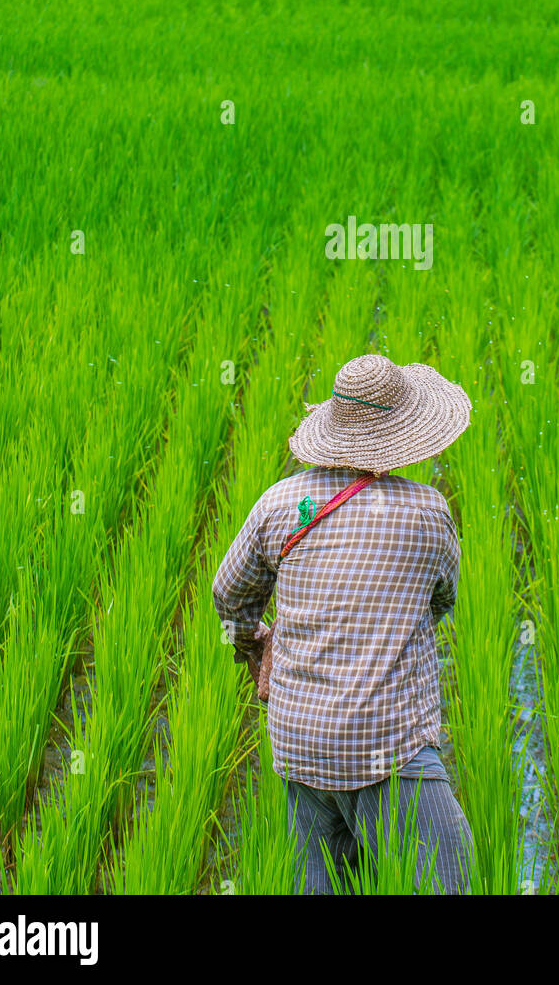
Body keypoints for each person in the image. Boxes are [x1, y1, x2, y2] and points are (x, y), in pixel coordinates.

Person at [212, 351, 474, 894]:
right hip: (392, 746)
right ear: (403, 434)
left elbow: (228, 595)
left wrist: (257, 645)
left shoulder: (280, 503)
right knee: (448, 882)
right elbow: (441, 600)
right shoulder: (427, 512)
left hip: (301, 745)